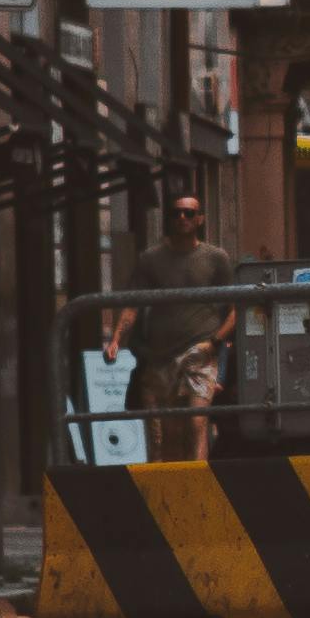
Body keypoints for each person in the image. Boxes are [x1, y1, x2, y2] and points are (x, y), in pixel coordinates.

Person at [108, 186, 241, 463]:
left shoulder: (216, 258)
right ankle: (164, 495)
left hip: (200, 352)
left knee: (196, 424)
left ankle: (199, 484)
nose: (182, 217)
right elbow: (132, 304)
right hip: (159, 357)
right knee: (164, 435)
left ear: (200, 219)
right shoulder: (150, 259)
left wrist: (214, 342)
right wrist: (116, 339)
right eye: (176, 213)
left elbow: (234, 309)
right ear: (168, 218)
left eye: (189, 213)